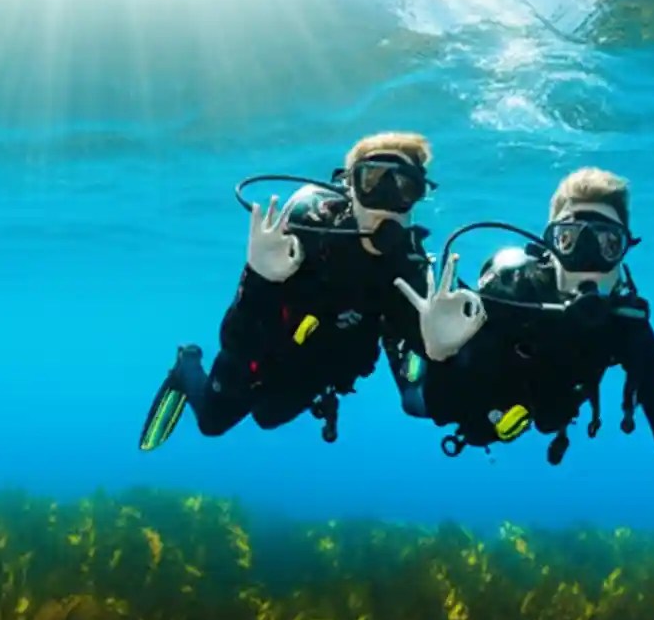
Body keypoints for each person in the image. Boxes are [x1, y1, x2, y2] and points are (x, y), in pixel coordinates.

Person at [392, 167, 654, 592]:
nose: (588, 261)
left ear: (624, 251)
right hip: (476, 399)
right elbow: (444, 409)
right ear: (549, 243)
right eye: (569, 240)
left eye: (607, 244)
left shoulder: (627, 328)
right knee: (417, 404)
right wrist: (440, 353)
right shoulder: (509, 295)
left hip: (542, 410)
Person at [138, 132, 435, 449]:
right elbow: (237, 343)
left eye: (405, 185)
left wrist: (439, 345)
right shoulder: (306, 237)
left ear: (418, 196)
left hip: (313, 371)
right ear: (350, 186)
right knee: (212, 423)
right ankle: (188, 364)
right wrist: (259, 279)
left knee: (268, 418)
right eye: (373, 180)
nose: (387, 200)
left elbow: (412, 345)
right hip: (259, 355)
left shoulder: (410, 268)